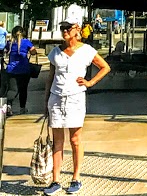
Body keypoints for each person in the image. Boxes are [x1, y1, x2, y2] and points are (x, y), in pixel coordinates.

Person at [43, 20, 111, 196]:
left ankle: (76, 177)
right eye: (62, 29)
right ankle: (55, 179)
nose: (64, 31)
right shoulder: (55, 52)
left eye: (68, 28)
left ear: (76, 30)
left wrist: (90, 82)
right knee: (57, 141)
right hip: (56, 98)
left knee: (75, 139)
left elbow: (105, 67)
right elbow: (50, 77)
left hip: (75, 98)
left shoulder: (86, 50)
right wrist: (46, 102)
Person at [5, 25, 37, 114]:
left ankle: (8, 106)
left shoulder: (10, 43)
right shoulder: (26, 42)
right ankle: (22, 108)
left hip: (11, 70)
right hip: (24, 70)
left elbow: (6, 51)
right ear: (23, 33)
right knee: (23, 89)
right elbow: (33, 52)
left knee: (12, 89)